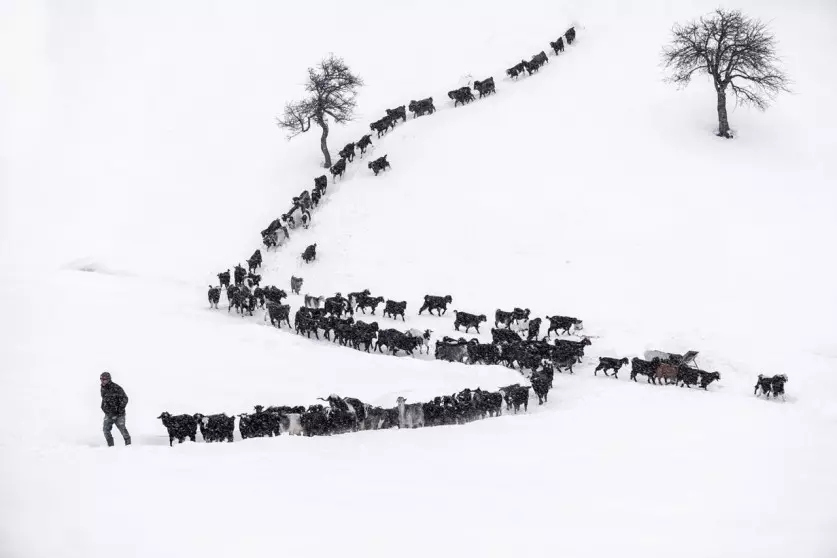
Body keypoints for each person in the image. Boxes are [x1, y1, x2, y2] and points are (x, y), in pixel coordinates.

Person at [100, 371, 131, 446]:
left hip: (119, 414)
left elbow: (125, 399)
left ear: (109, 379)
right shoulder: (103, 388)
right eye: (101, 379)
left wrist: (119, 410)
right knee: (105, 430)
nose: (102, 381)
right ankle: (111, 447)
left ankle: (129, 445)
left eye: (104, 379)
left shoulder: (116, 388)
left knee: (122, 429)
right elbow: (104, 399)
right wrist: (103, 408)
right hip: (109, 414)